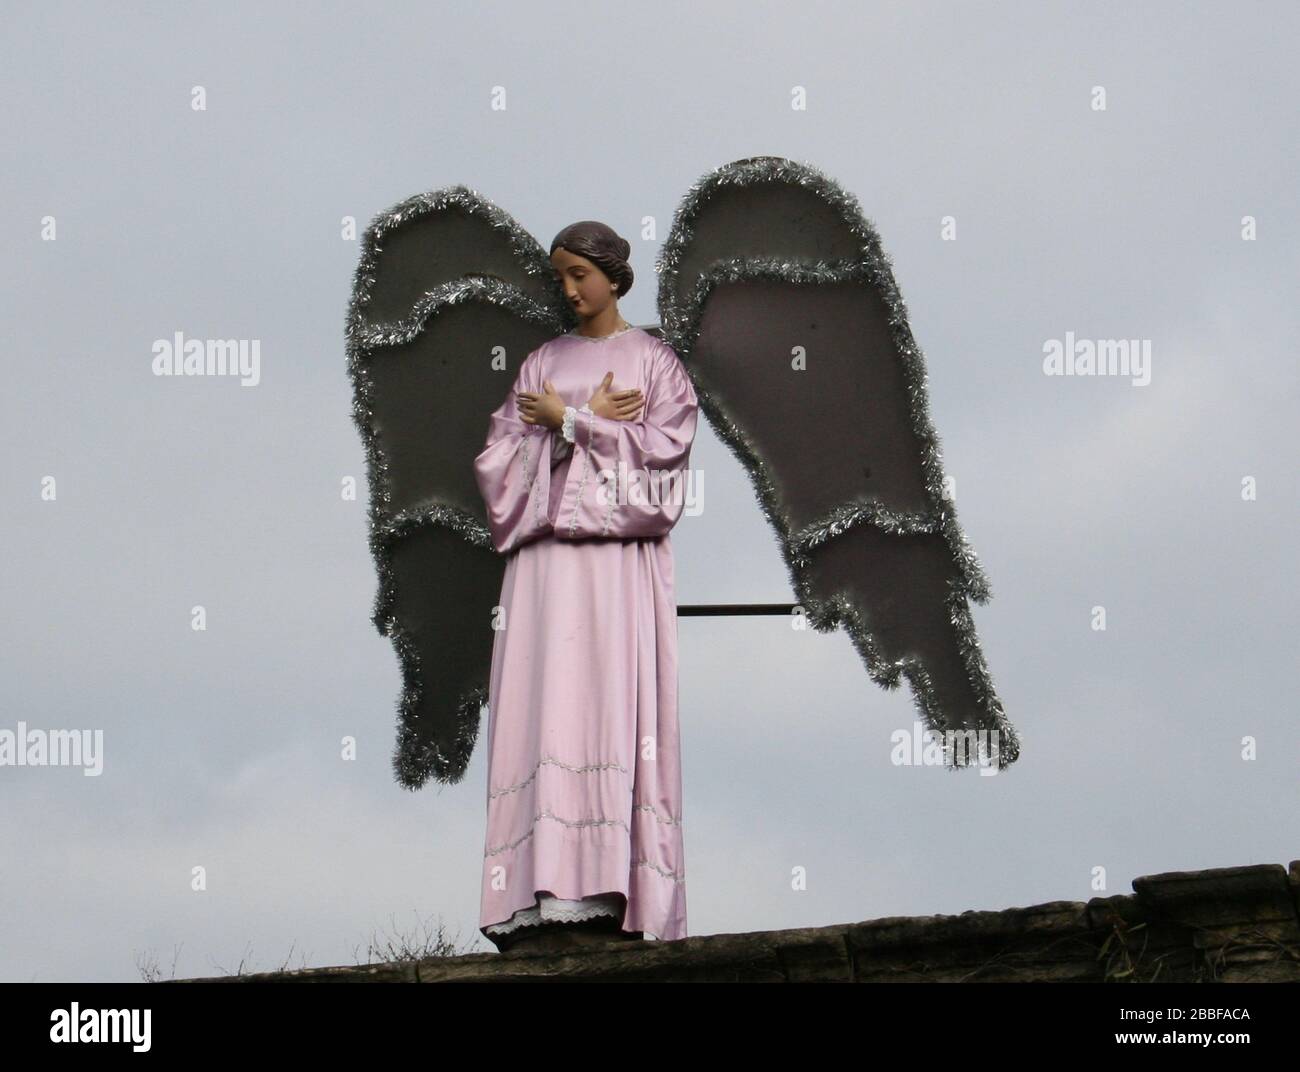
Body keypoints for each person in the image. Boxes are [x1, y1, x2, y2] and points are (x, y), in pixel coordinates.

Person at [472, 221, 699, 953]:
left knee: (607, 703)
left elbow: (661, 478)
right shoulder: (542, 361)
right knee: (544, 705)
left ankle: (611, 884)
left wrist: (572, 421)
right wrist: (576, 425)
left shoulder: (656, 364)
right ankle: (538, 884)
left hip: (614, 575)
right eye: (561, 277)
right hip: (543, 575)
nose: (570, 290)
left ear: (615, 277)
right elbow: (498, 468)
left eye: (580, 275)